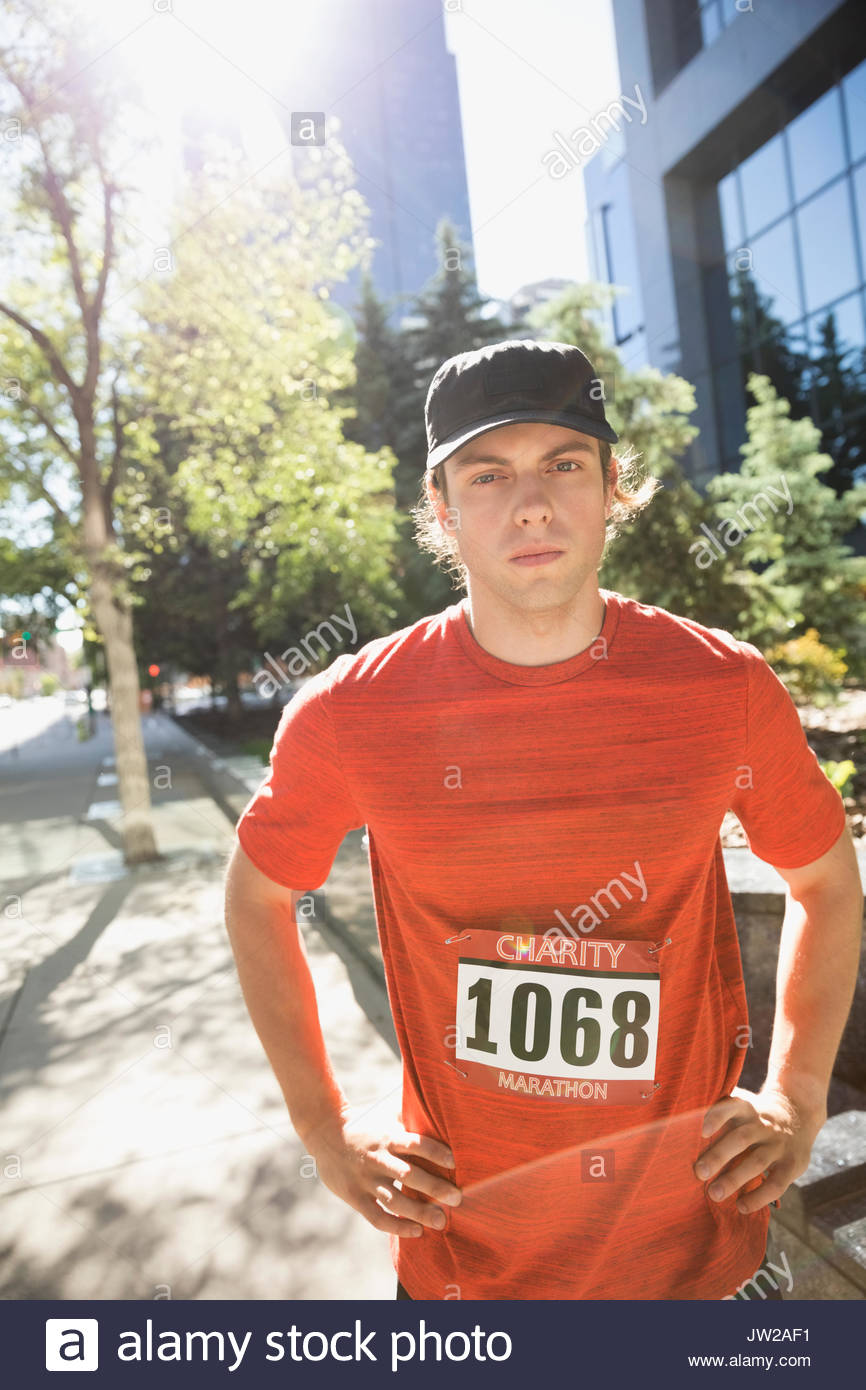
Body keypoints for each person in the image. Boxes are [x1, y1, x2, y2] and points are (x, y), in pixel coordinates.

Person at [223, 339, 863, 1301]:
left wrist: (799, 1094)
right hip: (462, 1276)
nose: (532, 503)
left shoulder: (721, 687)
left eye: (565, 464)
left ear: (613, 485)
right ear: (442, 508)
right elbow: (257, 899)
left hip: (697, 1263)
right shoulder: (351, 712)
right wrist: (324, 1129)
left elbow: (823, 878)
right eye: (489, 474)